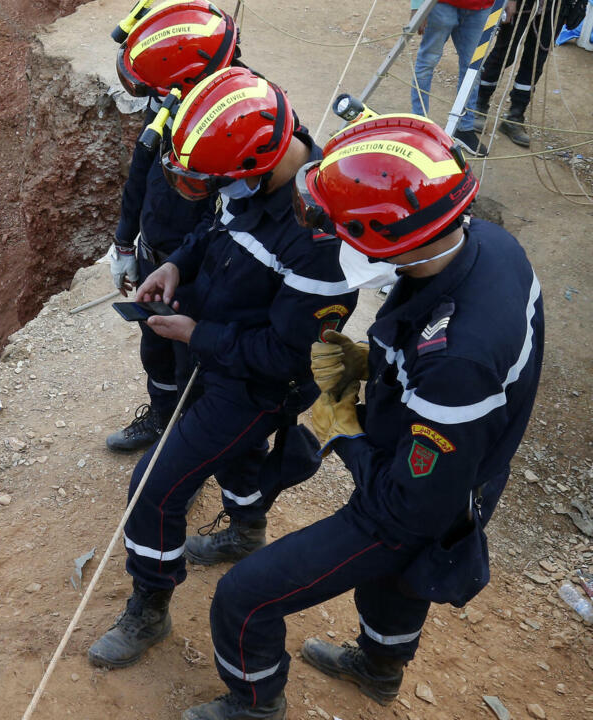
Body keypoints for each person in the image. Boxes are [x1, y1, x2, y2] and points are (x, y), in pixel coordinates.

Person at [185, 114, 544, 720]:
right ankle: (379, 668)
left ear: (393, 236)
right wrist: (373, 369)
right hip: (461, 458)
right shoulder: (485, 244)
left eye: (339, 226)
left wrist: (343, 425)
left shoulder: (459, 358)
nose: (328, 237)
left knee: (243, 597)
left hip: (421, 491)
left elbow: (407, 508)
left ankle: (254, 704)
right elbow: (423, 354)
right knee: (398, 580)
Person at [86, 67, 359, 671]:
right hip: (219, 355)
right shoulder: (255, 177)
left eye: (214, 182)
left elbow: (287, 356)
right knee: (239, 458)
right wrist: (178, 267)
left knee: (154, 490)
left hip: (256, 386)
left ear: (254, 166)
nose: (213, 192)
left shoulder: (320, 243)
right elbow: (216, 229)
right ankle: (246, 530)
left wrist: (197, 334)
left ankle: (149, 609)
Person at [105, 0, 235, 452]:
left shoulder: (237, 116)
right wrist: (125, 243)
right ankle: (161, 419)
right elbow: (141, 168)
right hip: (155, 258)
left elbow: (229, 218)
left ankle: (184, 446)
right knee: (156, 350)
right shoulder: (174, 95)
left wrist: (179, 263)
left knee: (191, 365)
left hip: (198, 272)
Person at [474, 0, 587, 148]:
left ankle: (515, 116)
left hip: (555, 7)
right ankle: (479, 104)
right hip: (521, 3)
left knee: (535, 61)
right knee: (504, 53)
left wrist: (577, 6)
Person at [410, 0, 493, 156]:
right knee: (427, 62)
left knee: (473, 68)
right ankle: (418, 123)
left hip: (481, 7)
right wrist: (417, 5)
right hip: (441, 5)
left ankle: (464, 128)